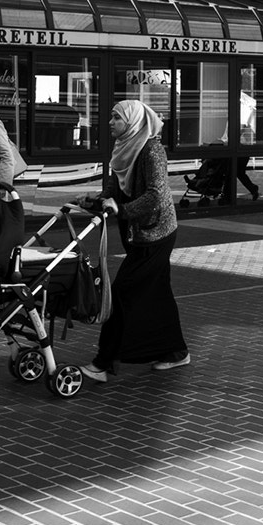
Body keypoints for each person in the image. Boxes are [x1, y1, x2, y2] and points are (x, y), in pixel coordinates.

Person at [78, 99, 189, 381]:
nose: (111, 123)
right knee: (158, 292)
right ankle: (175, 352)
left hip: (156, 234)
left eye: (116, 118)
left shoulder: (151, 150)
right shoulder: (124, 147)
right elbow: (114, 186)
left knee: (123, 292)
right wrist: (96, 201)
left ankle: (103, 362)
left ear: (131, 121)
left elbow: (155, 195)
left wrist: (122, 209)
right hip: (136, 232)